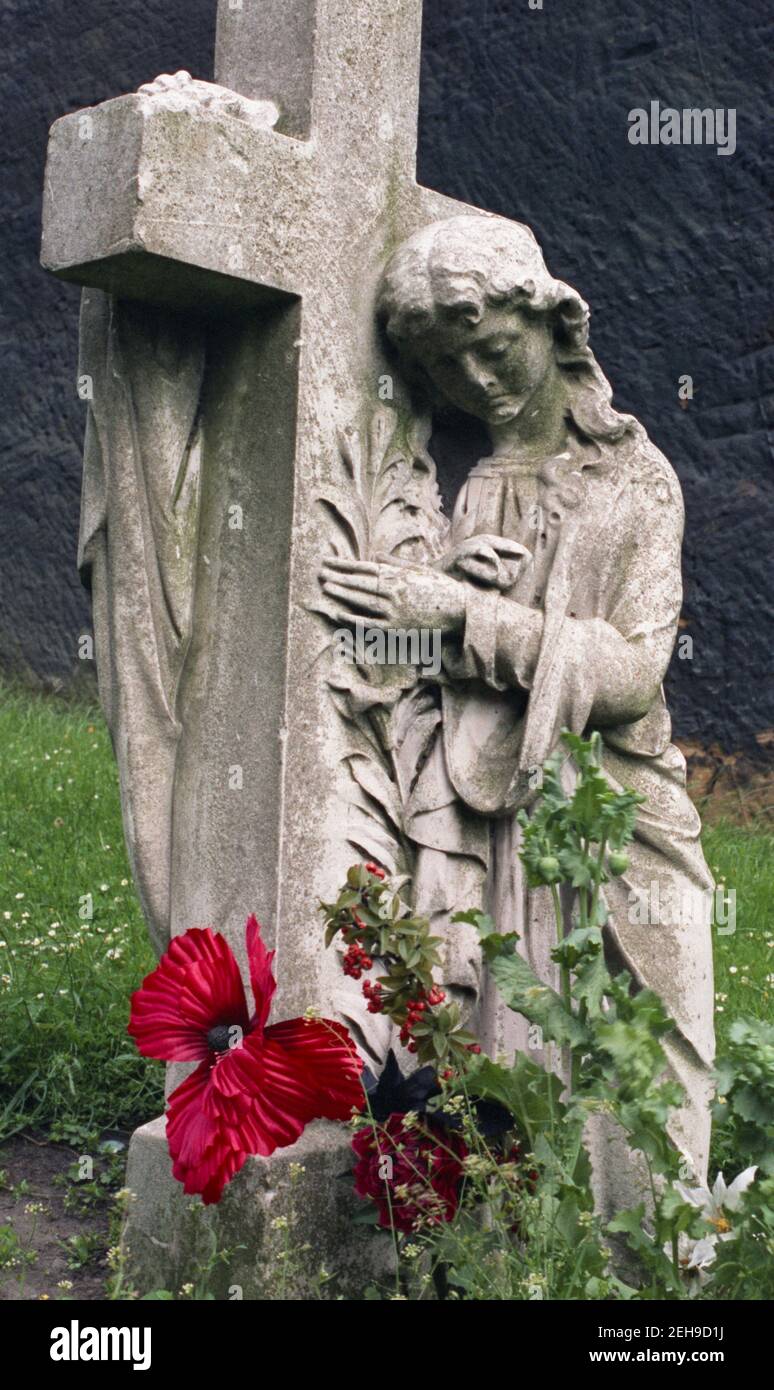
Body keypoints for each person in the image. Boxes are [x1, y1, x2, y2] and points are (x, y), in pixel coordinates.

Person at [321, 214, 715, 1210]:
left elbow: (629, 673)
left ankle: (648, 1277)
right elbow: (406, 665)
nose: (480, 385)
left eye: (495, 351)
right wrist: (435, 596)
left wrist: (468, 614)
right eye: (449, 372)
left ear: (551, 322)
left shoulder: (636, 482)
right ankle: (512, 1265)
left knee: (650, 1064)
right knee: (511, 1064)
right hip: (483, 821)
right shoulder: (460, 489)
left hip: (612, 823)